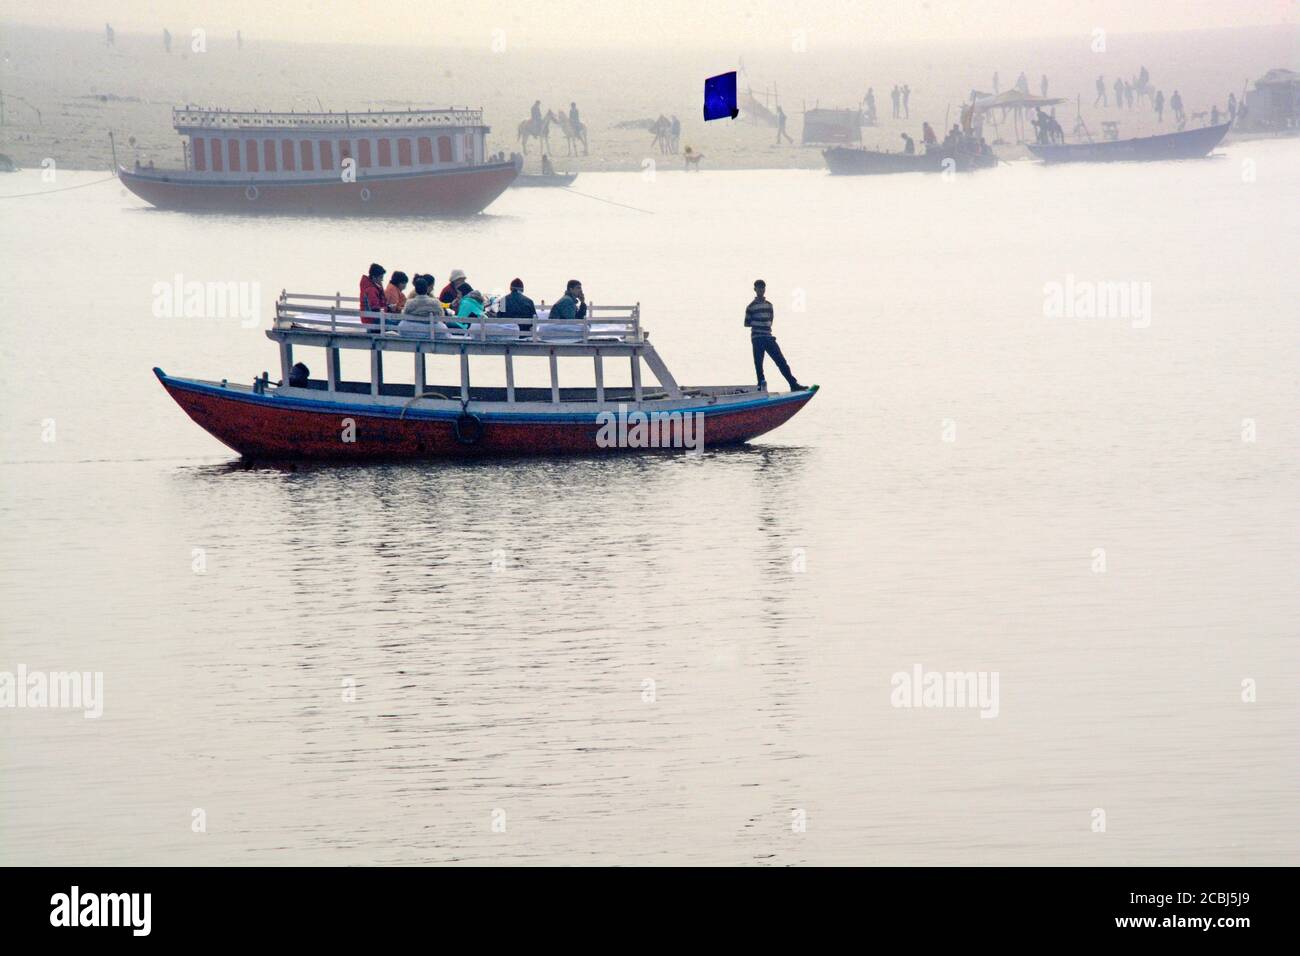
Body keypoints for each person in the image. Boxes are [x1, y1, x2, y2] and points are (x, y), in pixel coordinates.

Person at [745, 280, 801, 392]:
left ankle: (793, 384)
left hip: (768, 337)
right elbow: (746, 323)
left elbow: (771, 320)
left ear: (764, 289)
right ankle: (761, 387)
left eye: (762, 288)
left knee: (781, 361)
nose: (760, 290)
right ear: (755, 289)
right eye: (758, 288)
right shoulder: (750, 307)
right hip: (757, 338)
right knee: (759, 364)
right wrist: (760, 322)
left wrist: (762, 323)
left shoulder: (769, 305)